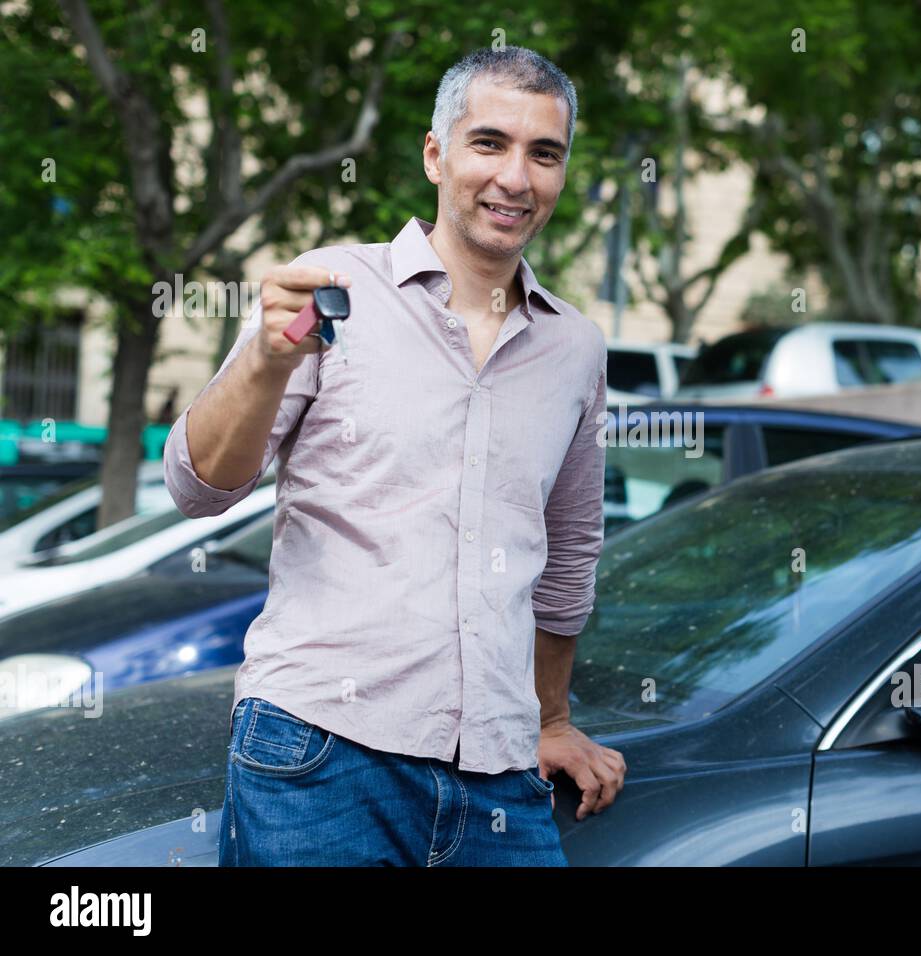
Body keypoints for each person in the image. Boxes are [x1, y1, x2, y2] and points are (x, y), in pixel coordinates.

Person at [163, 45, 625, 866]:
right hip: (319, 756)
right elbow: (198, 487)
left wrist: (550, 719)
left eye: (543, 154)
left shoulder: (576, 348)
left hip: (500, 774)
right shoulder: (333, 287)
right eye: (489, 143)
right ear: (435, 154)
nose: (515, 178)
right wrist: (266, 363)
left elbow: (567, 560)